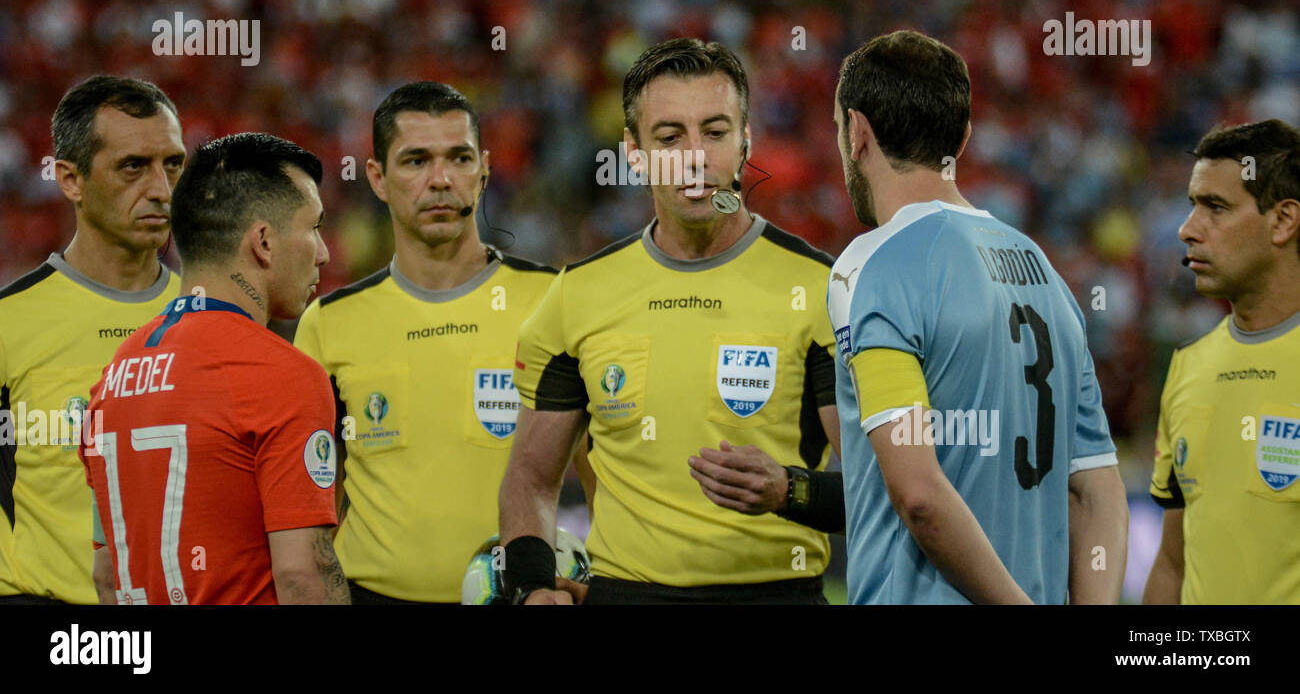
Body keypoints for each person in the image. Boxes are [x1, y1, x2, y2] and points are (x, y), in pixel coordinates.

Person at [500, 37, 842, 605]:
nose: (694, 155)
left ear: (745, 141)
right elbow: (531, 478)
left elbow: (883, 490)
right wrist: (533, 587)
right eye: (669, 136)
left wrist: (791, 491)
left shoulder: (823, 289)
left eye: (715, 132)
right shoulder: (577, 295)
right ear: (633, 152)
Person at [827, 30, 1127, 604]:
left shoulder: (870, 266)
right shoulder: (1048, 275)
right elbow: (1096, 488)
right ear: (962, 138)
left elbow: (918, 495)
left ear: (856, 131)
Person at [294, 82, 557, 604]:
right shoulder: (328, 323)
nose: (440, 180)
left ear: (482, 169)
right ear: (378, 178)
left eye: (457, 158)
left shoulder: (553, 301)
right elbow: (306, 509)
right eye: (415, 161)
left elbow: (601, 472)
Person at [79, 133, 346, 604]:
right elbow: (303, 576)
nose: (324, 252)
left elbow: (106, 574)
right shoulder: (283, 375)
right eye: (314, 228)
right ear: (263, 242)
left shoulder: (111, 377)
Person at [0, 76, 185, 605]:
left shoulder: (211, 320)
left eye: (172, 164)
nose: (161, 189)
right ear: (71, 179)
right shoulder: (10, 324)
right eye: (133, 166)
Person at [1144, 120, 1300, 604]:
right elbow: (1173, 563)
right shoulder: (1188, 367)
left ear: (1282, 221)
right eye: (1193, 206)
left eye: (1215, 207)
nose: (1187, 231)